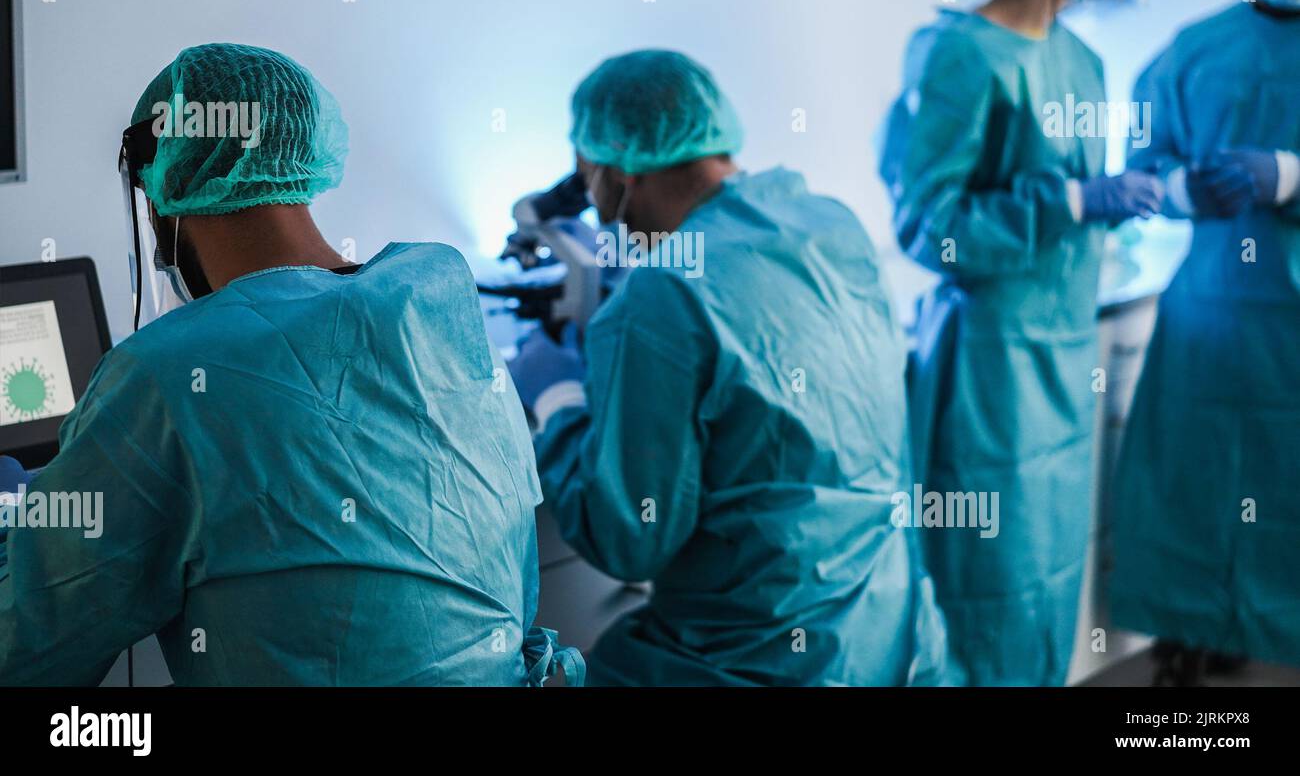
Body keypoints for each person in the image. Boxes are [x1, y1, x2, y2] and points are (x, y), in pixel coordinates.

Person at [0, 43, 580, 686]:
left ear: (161, 188)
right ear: (302, 157)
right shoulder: (442, 309)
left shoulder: (164, 378)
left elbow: (24, 653)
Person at [510, 49, 950, 686]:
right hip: (890, 624)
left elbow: (630, 537)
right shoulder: (830, 223)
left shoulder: (660, 295)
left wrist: (556, 397)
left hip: (762, 655)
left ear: (616, 170)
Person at [877, 0, 1165, 686]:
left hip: (1065, 360)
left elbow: (1083, 204)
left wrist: (1113, 211)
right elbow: (930, 228)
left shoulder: (1082, 62)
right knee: (983, 582)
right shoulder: (959, 56)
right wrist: (1068, 203)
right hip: (988, 372)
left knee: (1048, 575)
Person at [1110, 0, 1300, 685]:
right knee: (1195, 480)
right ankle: (1190, 633)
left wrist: (1287, 175)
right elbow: (1138, 172)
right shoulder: (1195, 50)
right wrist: (1186, 191)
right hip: (1211, 312)